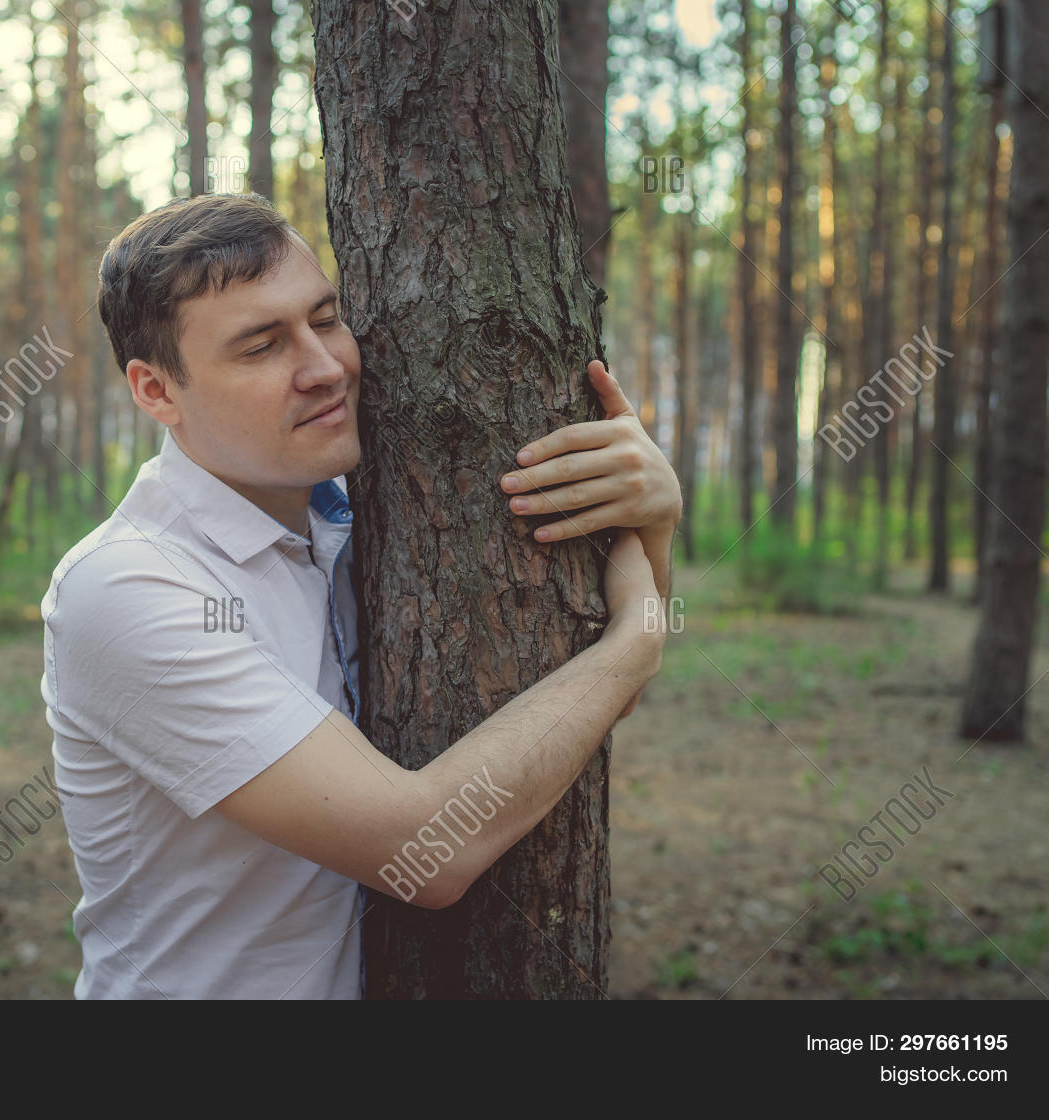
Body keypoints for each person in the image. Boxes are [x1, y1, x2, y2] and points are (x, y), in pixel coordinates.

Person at [40, 193, 681, 999]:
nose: (325, 366)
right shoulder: (128, 587)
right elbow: (424, 851)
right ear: (158, 391)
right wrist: (639, 638)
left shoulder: (357, 515)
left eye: (326, 318)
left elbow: (583, 705)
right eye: (262, 346)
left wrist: (647, 525)